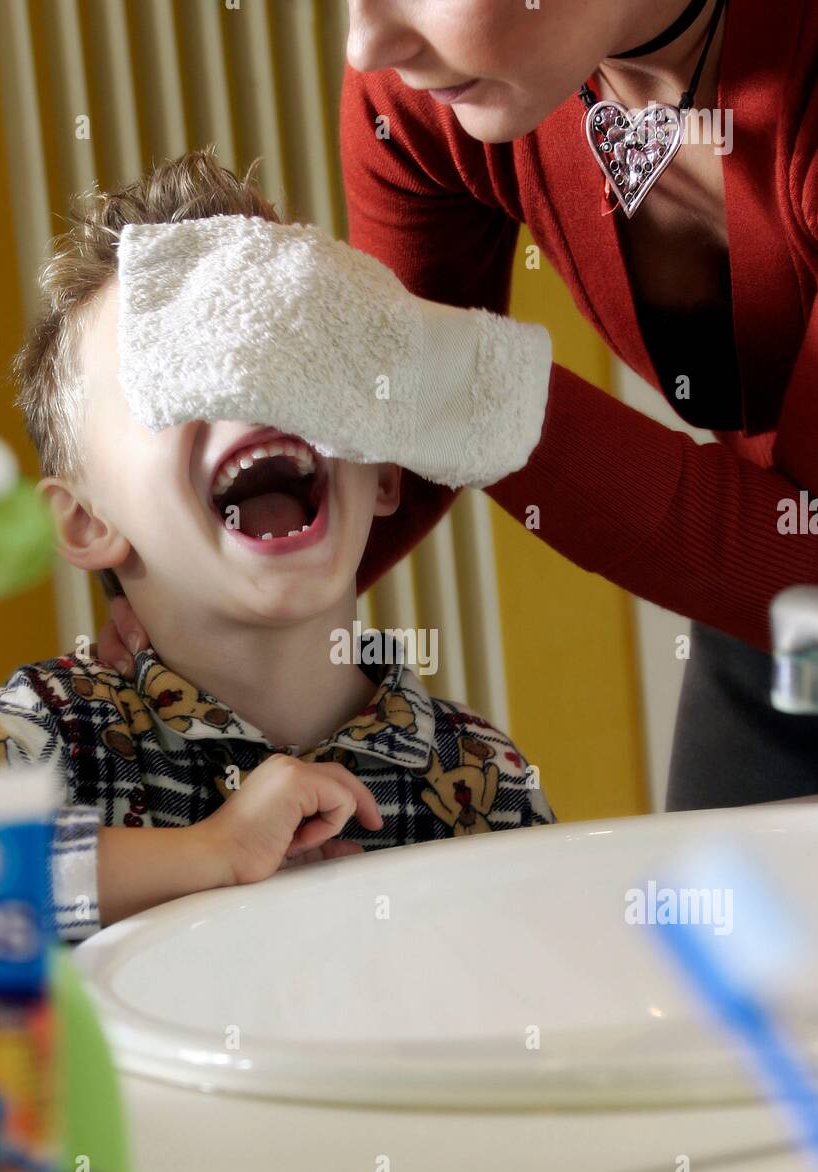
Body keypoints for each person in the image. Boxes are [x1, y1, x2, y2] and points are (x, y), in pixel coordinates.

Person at [0, 153, 553, 937]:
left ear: (383, 469)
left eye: (291, 356)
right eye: (180, 372)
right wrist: (215, 854)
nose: (249, 384)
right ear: (87, 521)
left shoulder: (476, 772)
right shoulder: (37, 738)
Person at [331, 0, 818, 810]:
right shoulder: (421, 96)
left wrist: (470, 385)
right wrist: (167, 600)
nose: (368, 41)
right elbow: (392, 433)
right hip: (765, 625)